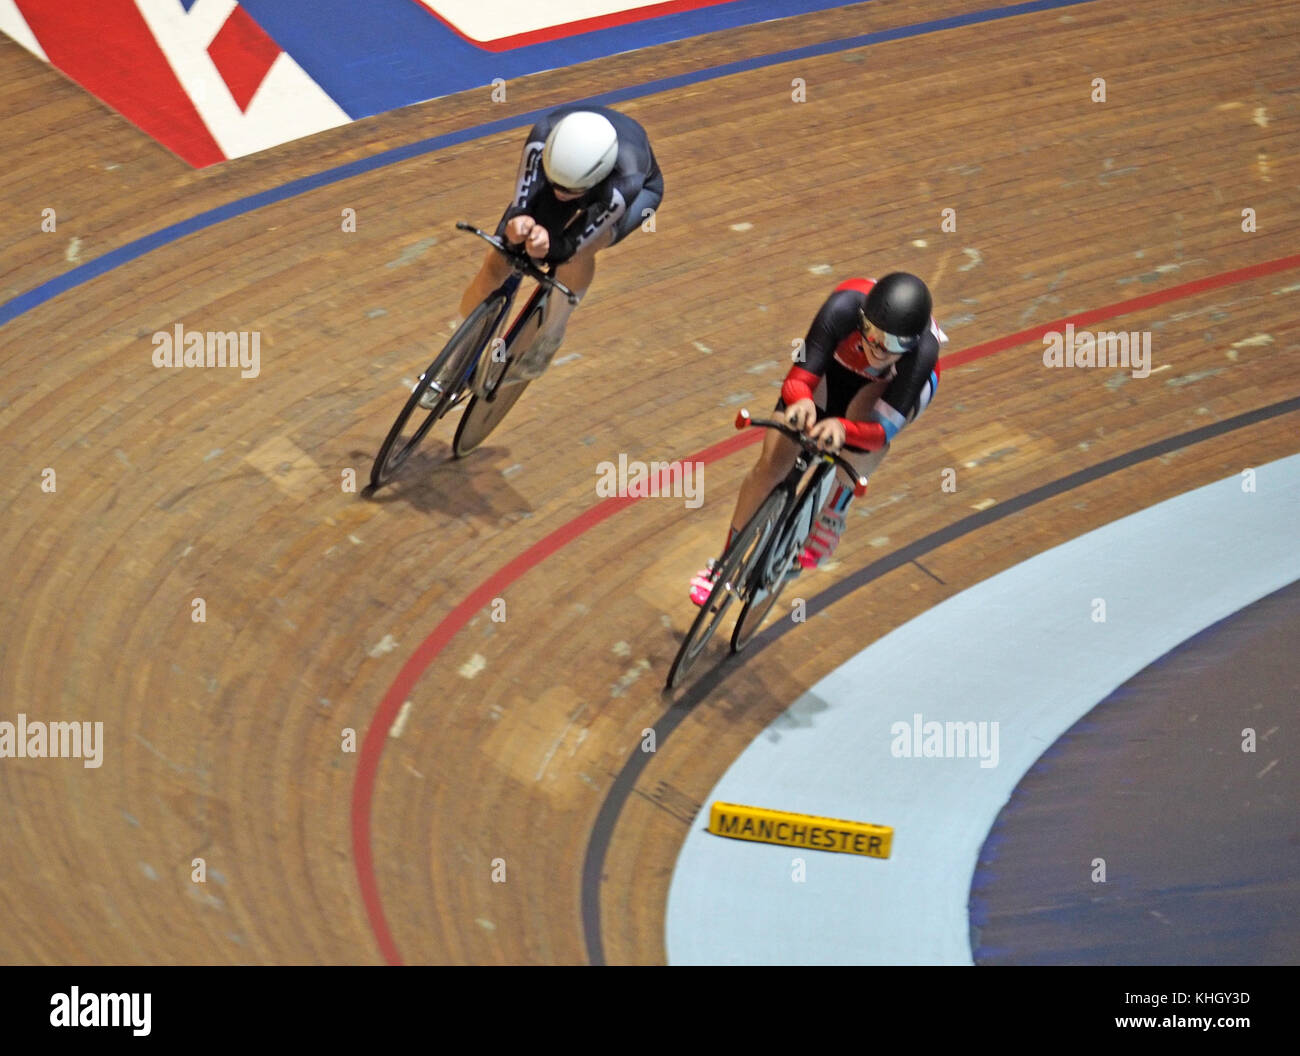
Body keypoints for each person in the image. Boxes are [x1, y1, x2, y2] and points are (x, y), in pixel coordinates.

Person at [688, 272, 946, 605]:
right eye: (870, 331)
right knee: (770, 467)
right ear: (862, 318)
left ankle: (836, 507)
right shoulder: (842, 307)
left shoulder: (922, 354)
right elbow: (798, 379)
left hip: (884, 392)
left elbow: (880, 432)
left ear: (909, 345)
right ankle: (721, 566)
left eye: (892, 344)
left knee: (861, 426)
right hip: (835, 370)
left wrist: (845, 429)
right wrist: (801, 401)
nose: (877, 347)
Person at [420, 105, 663, 407]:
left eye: (569, 190)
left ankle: (549, 337)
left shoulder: (624, 182)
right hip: (569, 173)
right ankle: (454, 356)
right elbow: (522, 202)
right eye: (556, 184)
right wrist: (518, 224)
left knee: (579, 253)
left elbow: (572, 242)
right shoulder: (542, 136)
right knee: (499, 258)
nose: (561, 193)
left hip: (635, 195)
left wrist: (552, 247)